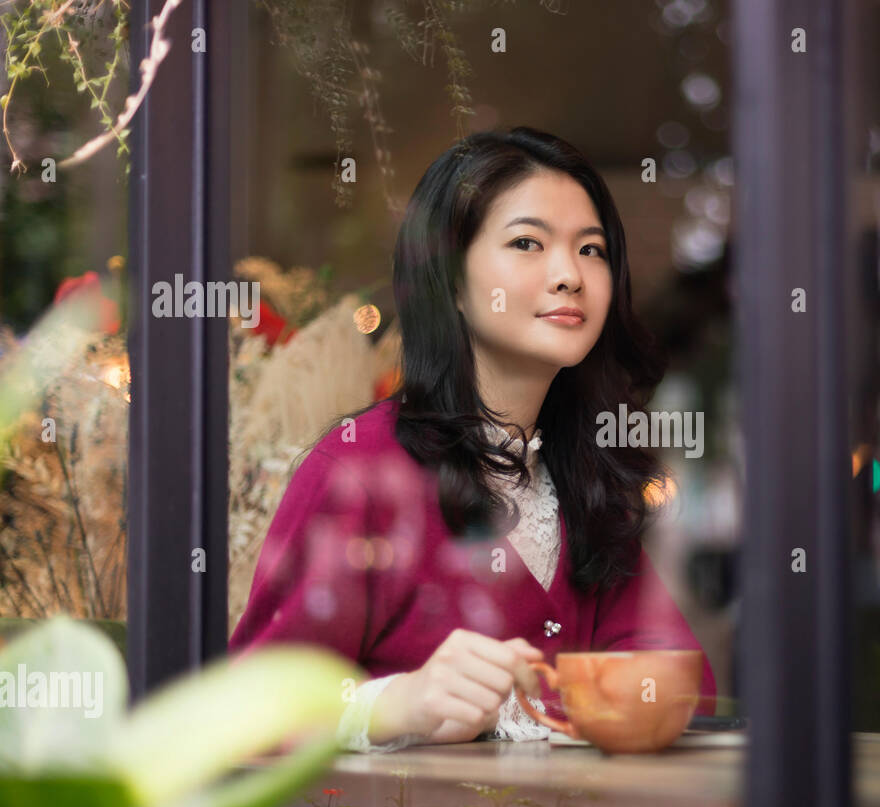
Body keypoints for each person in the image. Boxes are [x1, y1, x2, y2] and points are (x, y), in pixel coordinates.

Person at [228, 127, 717, 751]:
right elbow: (246, 710)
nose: (569, 273)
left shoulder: (586, 482)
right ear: (452, 282)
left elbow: (682, 685)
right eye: (527, 243)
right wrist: (392, 705)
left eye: (591, 250)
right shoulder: (358, 467)